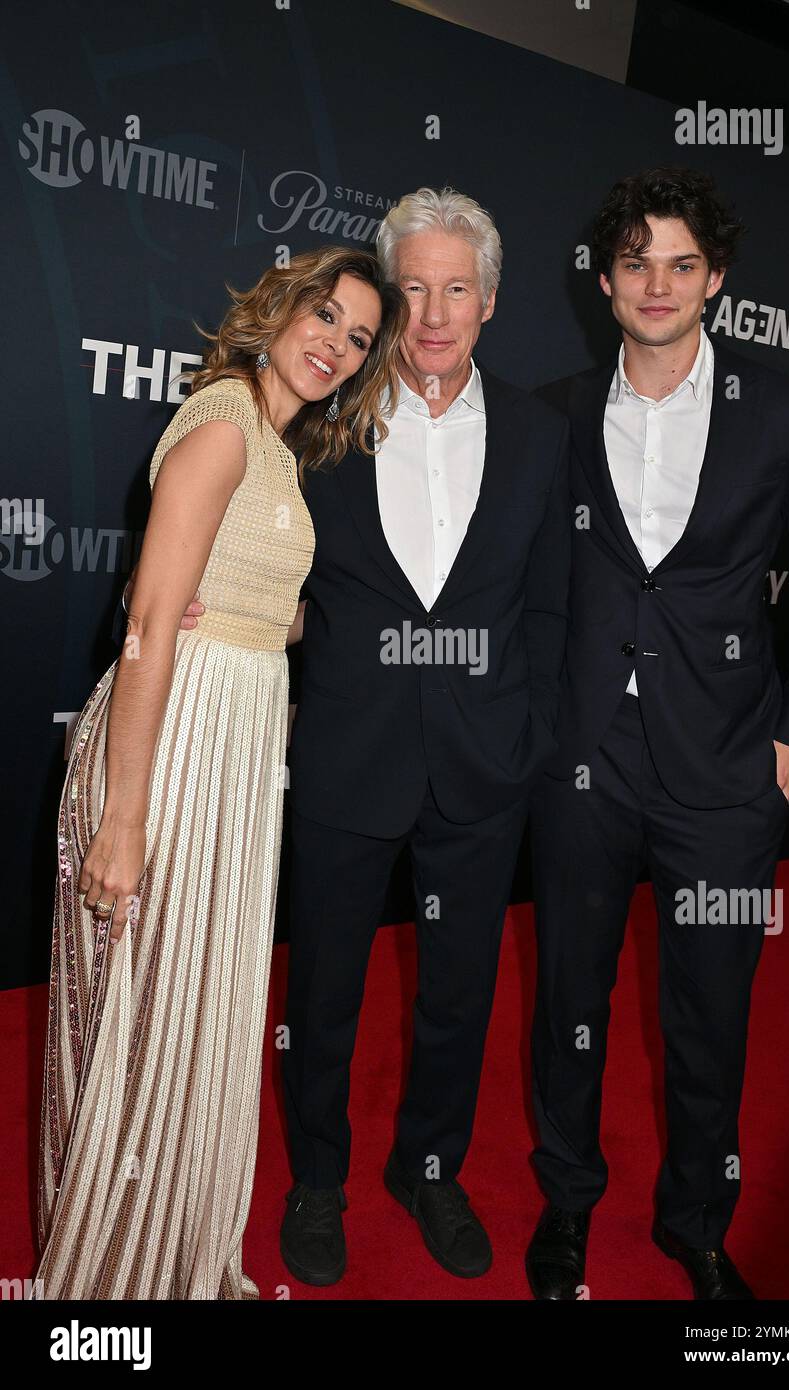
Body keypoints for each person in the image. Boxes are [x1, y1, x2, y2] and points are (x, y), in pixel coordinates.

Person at [180, 187, 571, 1286]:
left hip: (485, 764)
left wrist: (528, 735)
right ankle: (317, 1179)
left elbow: (549, 604)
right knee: (324, 994)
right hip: (350, 758)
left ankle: (429, 1168)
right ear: (385, 299)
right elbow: (253, 542)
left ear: (489, 301)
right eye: (411, 288)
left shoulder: (543, 435)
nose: (433, 311)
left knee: (459, 989)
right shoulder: (320, 419)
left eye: (456, 287)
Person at [32, 247, 407, 1299]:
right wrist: (124, 816)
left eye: (357, 335)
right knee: (151, 1021)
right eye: (323, 314)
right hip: (179, 745)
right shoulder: (222, 421)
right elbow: (151, 624)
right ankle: (114, 1288)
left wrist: (274, 622)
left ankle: (178, 1261)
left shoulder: (281, 453)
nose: (334, 343)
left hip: (235, 748)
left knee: (200, 1015)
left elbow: (246, 597)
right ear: (280, 309)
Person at [525, 167, 789, 1300]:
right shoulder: (559, 412)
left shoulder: (779, 411)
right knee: (568, 996)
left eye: (679, 263)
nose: (655, 284)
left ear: (713, 279)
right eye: (635, 263)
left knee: (710, 1011)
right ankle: (566, 1203)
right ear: (605, 282)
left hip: (725, 771)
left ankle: (694, 1223)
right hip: (583, 765)